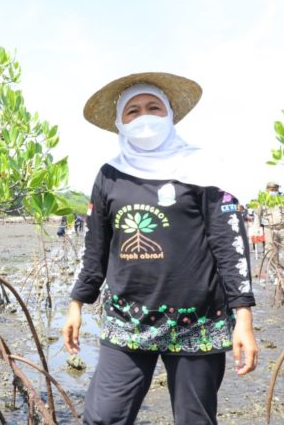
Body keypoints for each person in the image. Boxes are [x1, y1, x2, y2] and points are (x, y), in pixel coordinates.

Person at [62, 72, 257, 425]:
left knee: (194, 420)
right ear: (120, 122)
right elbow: (95, 248)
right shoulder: (110, 175)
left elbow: (230, 245)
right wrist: (77, 303)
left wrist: (243, 315)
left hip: (197, 321)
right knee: (103, 418)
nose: (144, 117)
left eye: (154, 107)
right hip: (127, 319)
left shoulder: (204, 167)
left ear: (169, 115)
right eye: (133, 111)